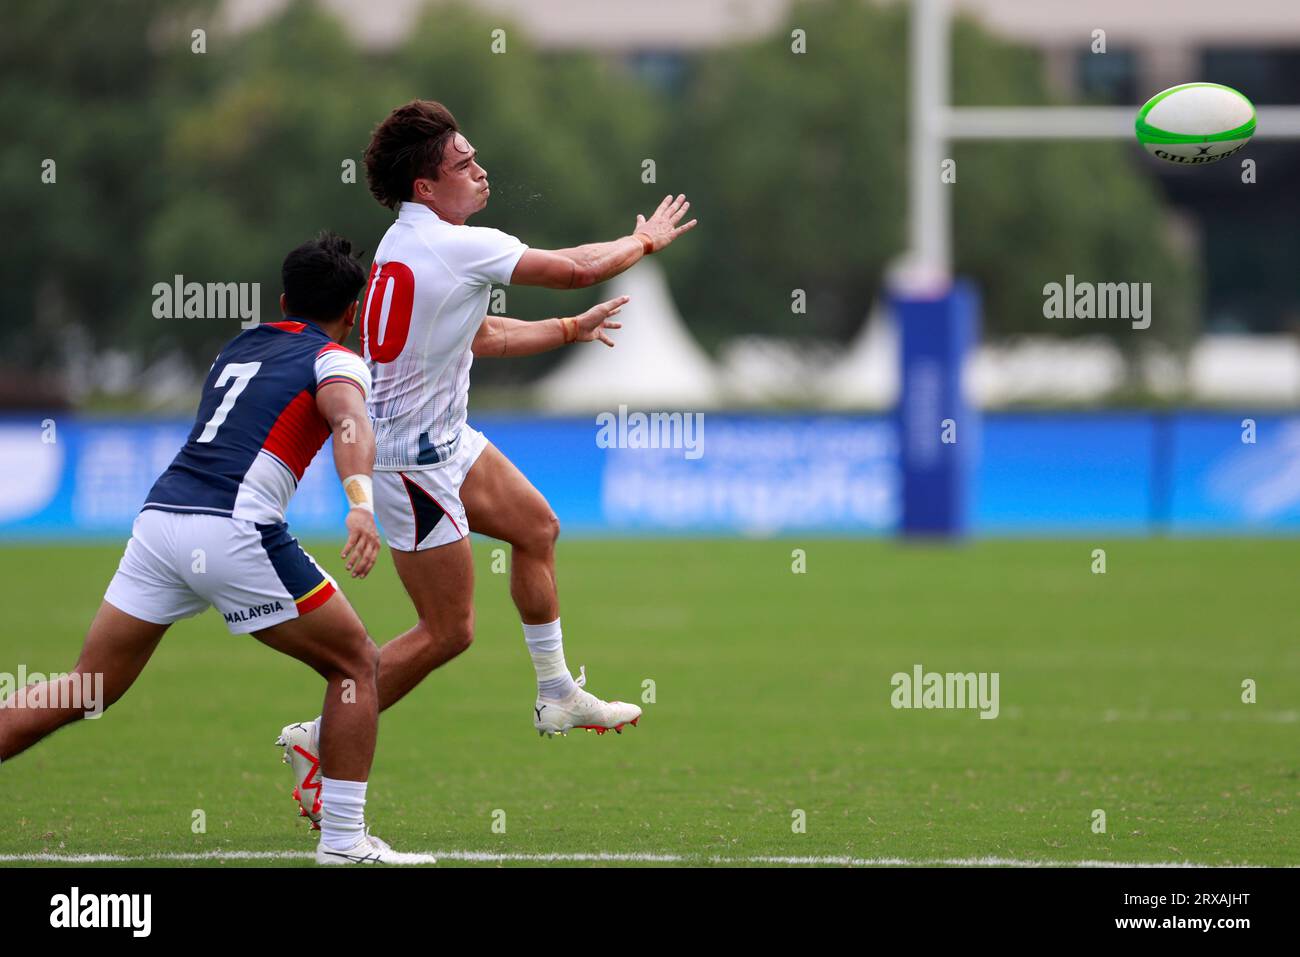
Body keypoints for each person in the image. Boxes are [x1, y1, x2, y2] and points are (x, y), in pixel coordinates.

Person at [278, 99, 697, 821]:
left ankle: (558, 692)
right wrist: (643, 242)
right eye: (462, 163)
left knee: (538, 528)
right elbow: (570, 267)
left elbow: (479, 336)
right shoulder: (452, 244)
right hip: (410, 460)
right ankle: (318, 736)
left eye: (475, 157)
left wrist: (567, 330)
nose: (480, 169)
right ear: (425, 187)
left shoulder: (406, 244)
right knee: (449, 631)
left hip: (440, 438)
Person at [0, 232, 400, 865]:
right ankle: (345, 842)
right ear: (350, 314)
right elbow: (348, 418)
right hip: (233, 528)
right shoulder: (336, 359)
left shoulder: (240, 345)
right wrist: (359, 501)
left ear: (282, 298)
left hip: (160, 522)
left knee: (86, 686)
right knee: (357, 665)